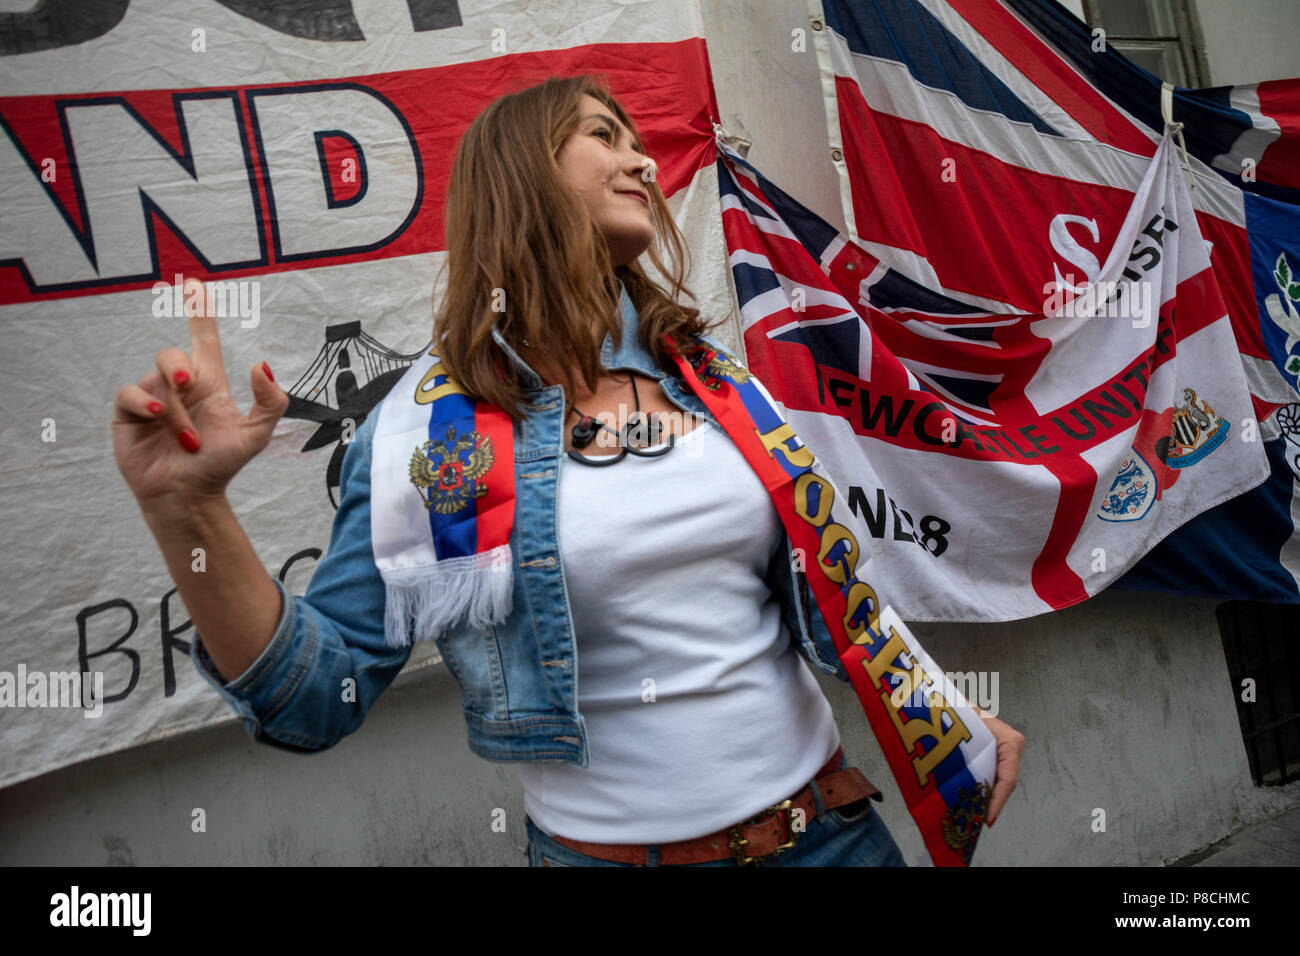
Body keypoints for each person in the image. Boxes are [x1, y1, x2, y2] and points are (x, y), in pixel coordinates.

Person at [111, 74, 1025, 867]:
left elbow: (837, 594)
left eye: (639, 143)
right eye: (602, 136)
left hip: (829, 837)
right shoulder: (423, 433)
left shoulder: (719, 383)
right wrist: (189, 515)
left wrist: (946, 715)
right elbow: (316, 700)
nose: (641, 162)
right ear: (522, 175)